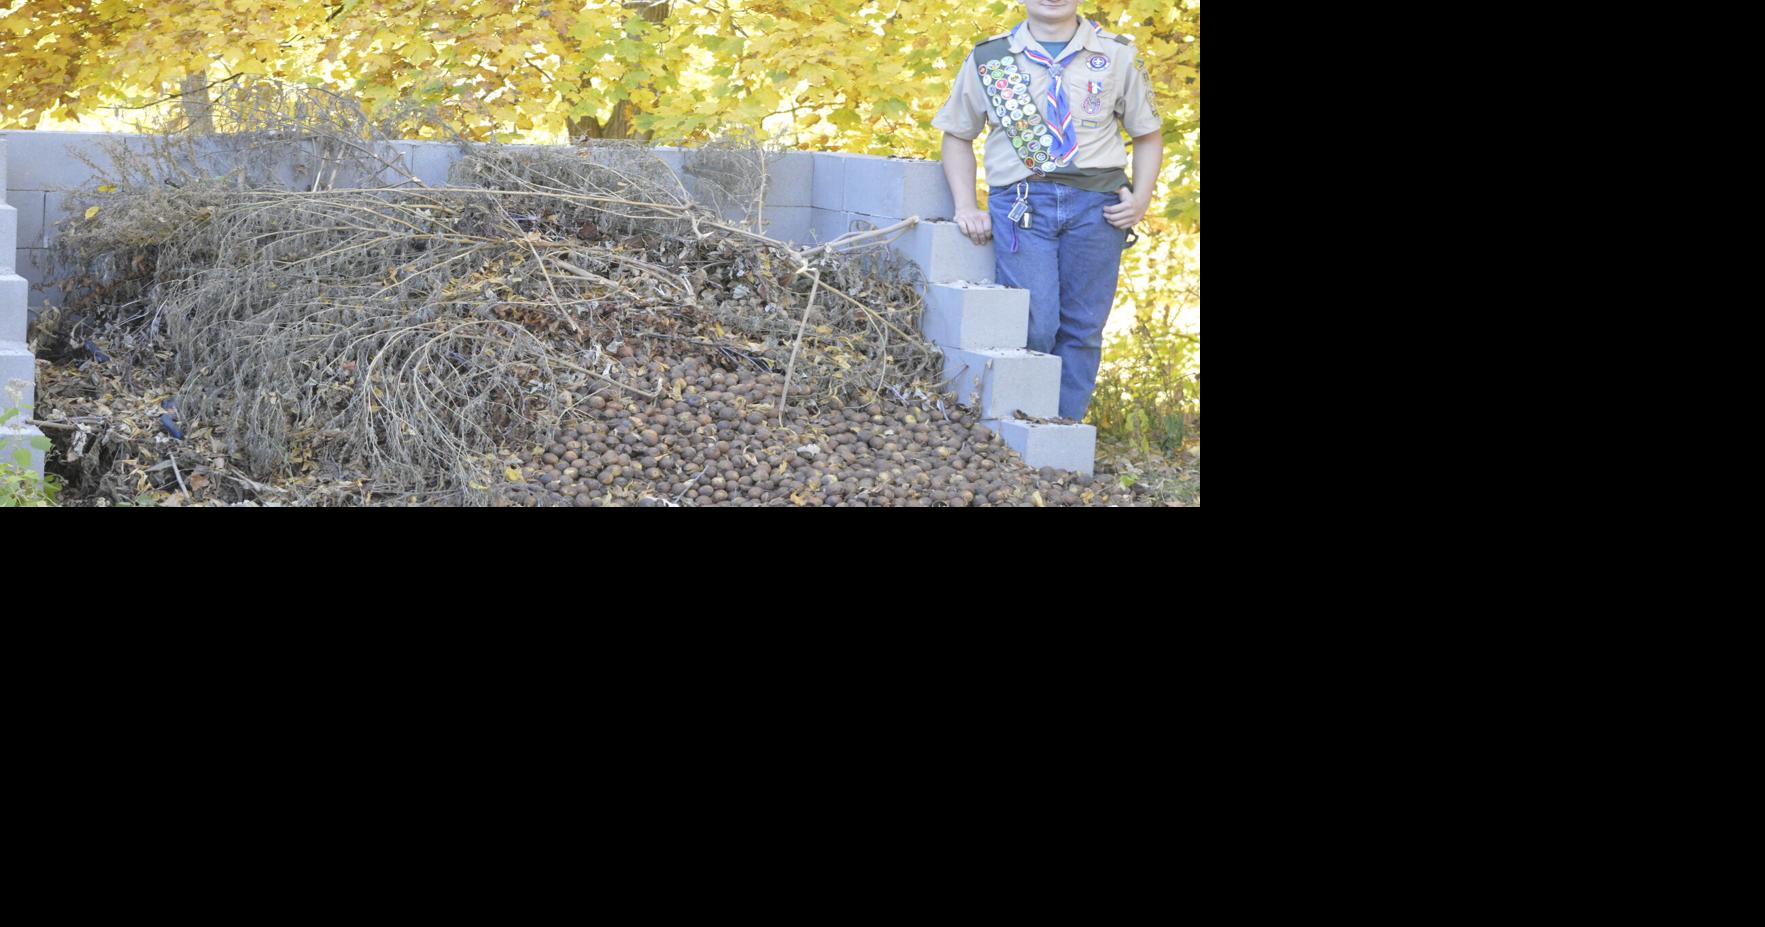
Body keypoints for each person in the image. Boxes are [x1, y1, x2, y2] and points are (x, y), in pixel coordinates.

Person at [931, 0, 1164, 421]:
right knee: (1033, 323)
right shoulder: (991, 57)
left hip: (1098, 206)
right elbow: (957, 133)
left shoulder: (1116, 54)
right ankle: (1020, 428)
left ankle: (1061, 431)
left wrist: (1142, 198)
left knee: (1083, 327)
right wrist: (966, 204)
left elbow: (1147, 134)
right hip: (1023, 205)